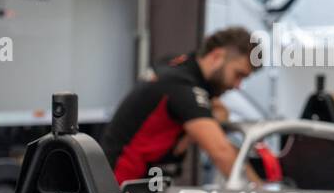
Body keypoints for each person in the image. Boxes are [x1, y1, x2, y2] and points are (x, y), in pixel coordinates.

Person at [100, 26, 258, 184]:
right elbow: (222, 153)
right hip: (122, 187)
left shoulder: (176, 67)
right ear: (217, 56)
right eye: (238, 74)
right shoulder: (183, 87)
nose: (238, 85)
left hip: (136, 182)